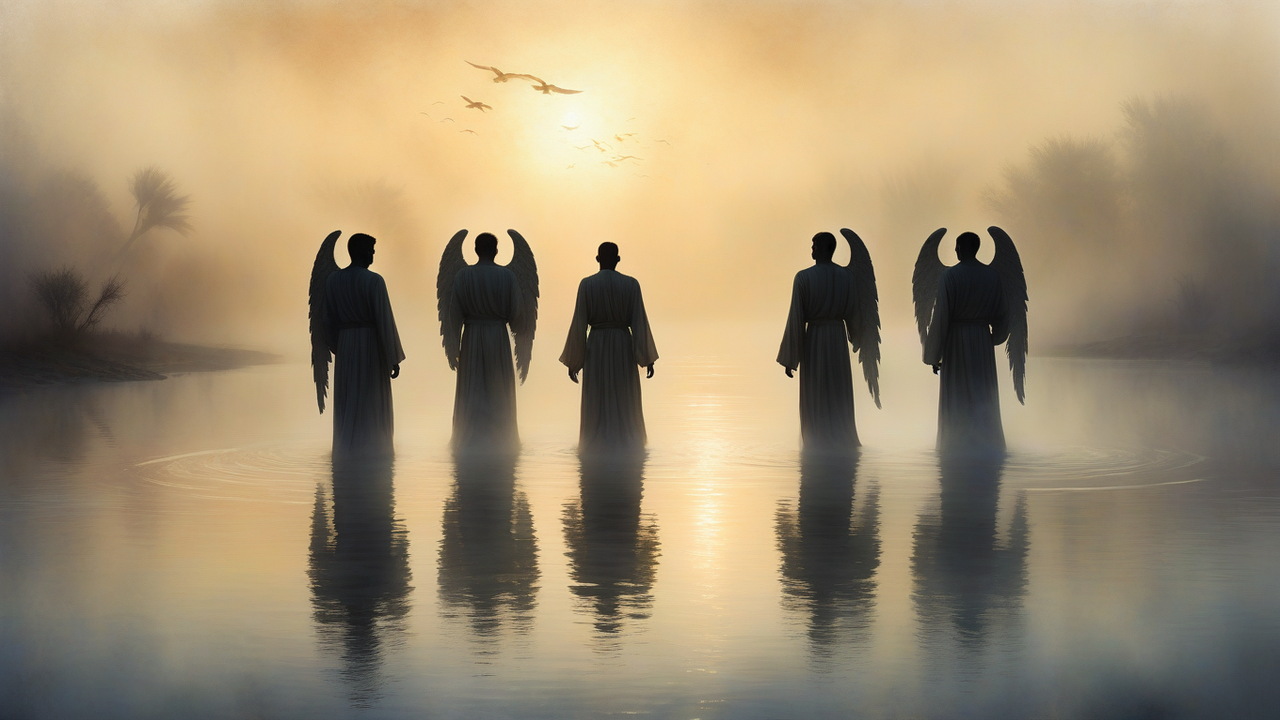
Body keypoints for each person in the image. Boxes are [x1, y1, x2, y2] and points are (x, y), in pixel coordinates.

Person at [559, 242, 659, 452]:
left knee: (597, 396)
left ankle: (595, 445)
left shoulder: (587, 285)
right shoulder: (631, 285)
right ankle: (628, 443)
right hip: (623, 345)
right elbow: (639, 322)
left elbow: (579, 323)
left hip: (596, 345)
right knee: (624, 395)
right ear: (618, 259)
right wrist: (647, 358)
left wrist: (574, 361)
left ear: (597, 259)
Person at [922, 231, 1010, 452]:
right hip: (982, 341)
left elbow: (941, 316)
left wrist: (934, 355)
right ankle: (986, 443)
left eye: (957, 246)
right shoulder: (993, 277)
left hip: (956, 341)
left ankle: (955, 445)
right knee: (982, 390)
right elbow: (1002, 315)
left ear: (962, 248)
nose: (955, 250)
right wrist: (993, 339)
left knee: (957, 392)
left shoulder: (950, 276)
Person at [777, 232, 866, 449]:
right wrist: (857, 339)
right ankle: (842, 440)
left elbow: (796, 318)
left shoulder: (803, 278)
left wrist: (791, 358)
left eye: (814, 246)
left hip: (814, 340)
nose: (812, 250)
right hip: (837, 340)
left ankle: (816, 442)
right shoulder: (846, 277)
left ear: (823, 249)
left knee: (815, 392)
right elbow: (854, 313)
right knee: (837, 390)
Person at [322, 233, 404, 457]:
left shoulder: (333, 281)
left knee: (349, 397)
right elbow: (384, 320)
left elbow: (327, 320)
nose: (373, 254)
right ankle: (374, 450)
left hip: (346, 344)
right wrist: (392, 357)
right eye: (371, 250)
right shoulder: (374, 281)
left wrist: (340, 347)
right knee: (371, 396)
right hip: (370, 346)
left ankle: (347, 449)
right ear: (363, 252)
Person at [445, 232, 524, 451]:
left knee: (472, 388)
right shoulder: (507, 277)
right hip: (498, 338)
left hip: (471, 337)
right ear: (496, 251)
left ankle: (468, 440)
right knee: (498, 389)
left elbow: (453, 317)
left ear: (476, 250)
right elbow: (517, 314)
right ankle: (502, 441)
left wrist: (454, 347)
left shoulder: (463, 276)